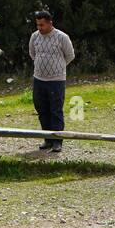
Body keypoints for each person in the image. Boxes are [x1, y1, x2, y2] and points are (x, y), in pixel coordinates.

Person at [29, 10, 74, 153]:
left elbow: (70, 55)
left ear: (50, 23)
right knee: (42, 109)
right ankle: (47, 138)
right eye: (37, 25)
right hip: (39, 79)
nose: (39, 28)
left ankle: (57, 141)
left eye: (42, 25)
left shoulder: (62, 37)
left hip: (56, 80)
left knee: (55, 110)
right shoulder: (34, 36)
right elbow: (32, 54)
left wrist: (58, 68)